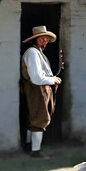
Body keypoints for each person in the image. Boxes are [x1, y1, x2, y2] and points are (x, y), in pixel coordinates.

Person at [21, 25, 61, 157]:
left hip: (41, 88)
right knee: (40, 118)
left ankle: (29, 146)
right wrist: (52, 80)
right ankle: (35, 151)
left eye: (46, 40)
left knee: (34, 118)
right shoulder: (32, 53)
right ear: (35, 39)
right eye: (42, 39)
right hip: (36, 89)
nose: (45, 42)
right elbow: (37, 78)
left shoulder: (38, 52)